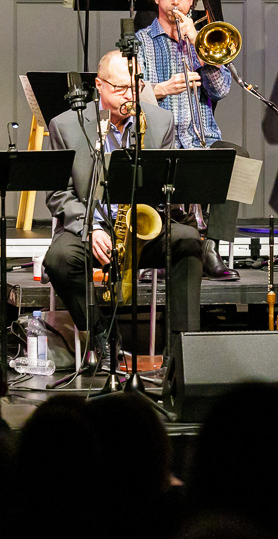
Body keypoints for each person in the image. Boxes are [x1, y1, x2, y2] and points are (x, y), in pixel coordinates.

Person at [43, 50, 204, 375]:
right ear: (99, 86)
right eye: (120, 89)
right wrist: (91, 228)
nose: (131, 96)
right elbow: (58, 194)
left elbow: (167, 187)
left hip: (144, 226)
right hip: (95, 229)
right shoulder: (65, 125)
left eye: (136, 86)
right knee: (59, 259)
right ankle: (103, 337)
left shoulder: (160, 122)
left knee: (188, 240)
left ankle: (183, 351)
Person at [133, 0, 244, 281]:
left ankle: (210, 247)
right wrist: (162, 89)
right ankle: (160, 252)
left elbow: (221, 88)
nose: (175, 2)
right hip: (160, 145)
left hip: (201, 140)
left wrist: (198, 44)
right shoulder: (142, 41)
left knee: (240, 159)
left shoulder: (203, 40)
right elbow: (130, 97)